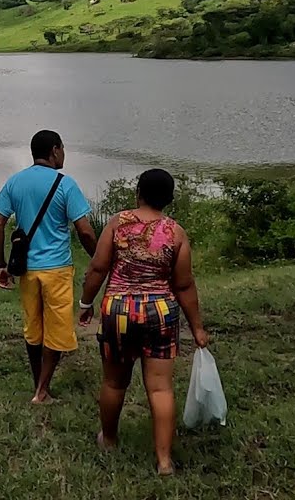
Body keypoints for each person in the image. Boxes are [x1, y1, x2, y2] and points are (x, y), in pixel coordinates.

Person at [77, 169, 208, 476]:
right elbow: (184, 285)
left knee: (114, 382)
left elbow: (98, 268)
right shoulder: (176, 232)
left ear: (138, 193)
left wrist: (85, 303)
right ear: (169, 199)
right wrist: (197, 328)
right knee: (161, 389)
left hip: (119, 310)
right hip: (160, 311)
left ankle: (109, 440)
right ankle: (164, 461)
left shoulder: (118, 223)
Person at [0, 130, 98, 405]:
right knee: (57, 330)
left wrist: (0, 264)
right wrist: (99, 258)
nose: (63, 154)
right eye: (62, 149)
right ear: (54, 150)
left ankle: (39, 384)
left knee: (34, 328)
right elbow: (85, 231)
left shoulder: (15, 181)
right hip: (57, 269)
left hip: (27, 270)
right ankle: (42, 392)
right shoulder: (66, 184)